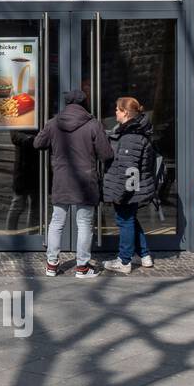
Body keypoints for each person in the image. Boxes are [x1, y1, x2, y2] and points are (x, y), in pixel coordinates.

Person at [33, 89, 114, 279]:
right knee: (84, 224)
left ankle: (51, 265)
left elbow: (38, 144)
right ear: (84, 104)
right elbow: (106, 154)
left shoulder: (53, 123)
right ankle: (82, 268)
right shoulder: (93, 124)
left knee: (56, 223)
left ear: (67, 104)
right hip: (86, 181)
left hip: (61, 180)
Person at [102, 96, 157, 275]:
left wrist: (120, 194)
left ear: (125, 112)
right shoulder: (136, 131)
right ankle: (145, 255)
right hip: (135, 188)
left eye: (117, 109)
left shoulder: (130, 137)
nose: (115, 112)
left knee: (124, 220)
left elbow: (129, 170)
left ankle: (124, 261)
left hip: (129, 189)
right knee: (130, 219)